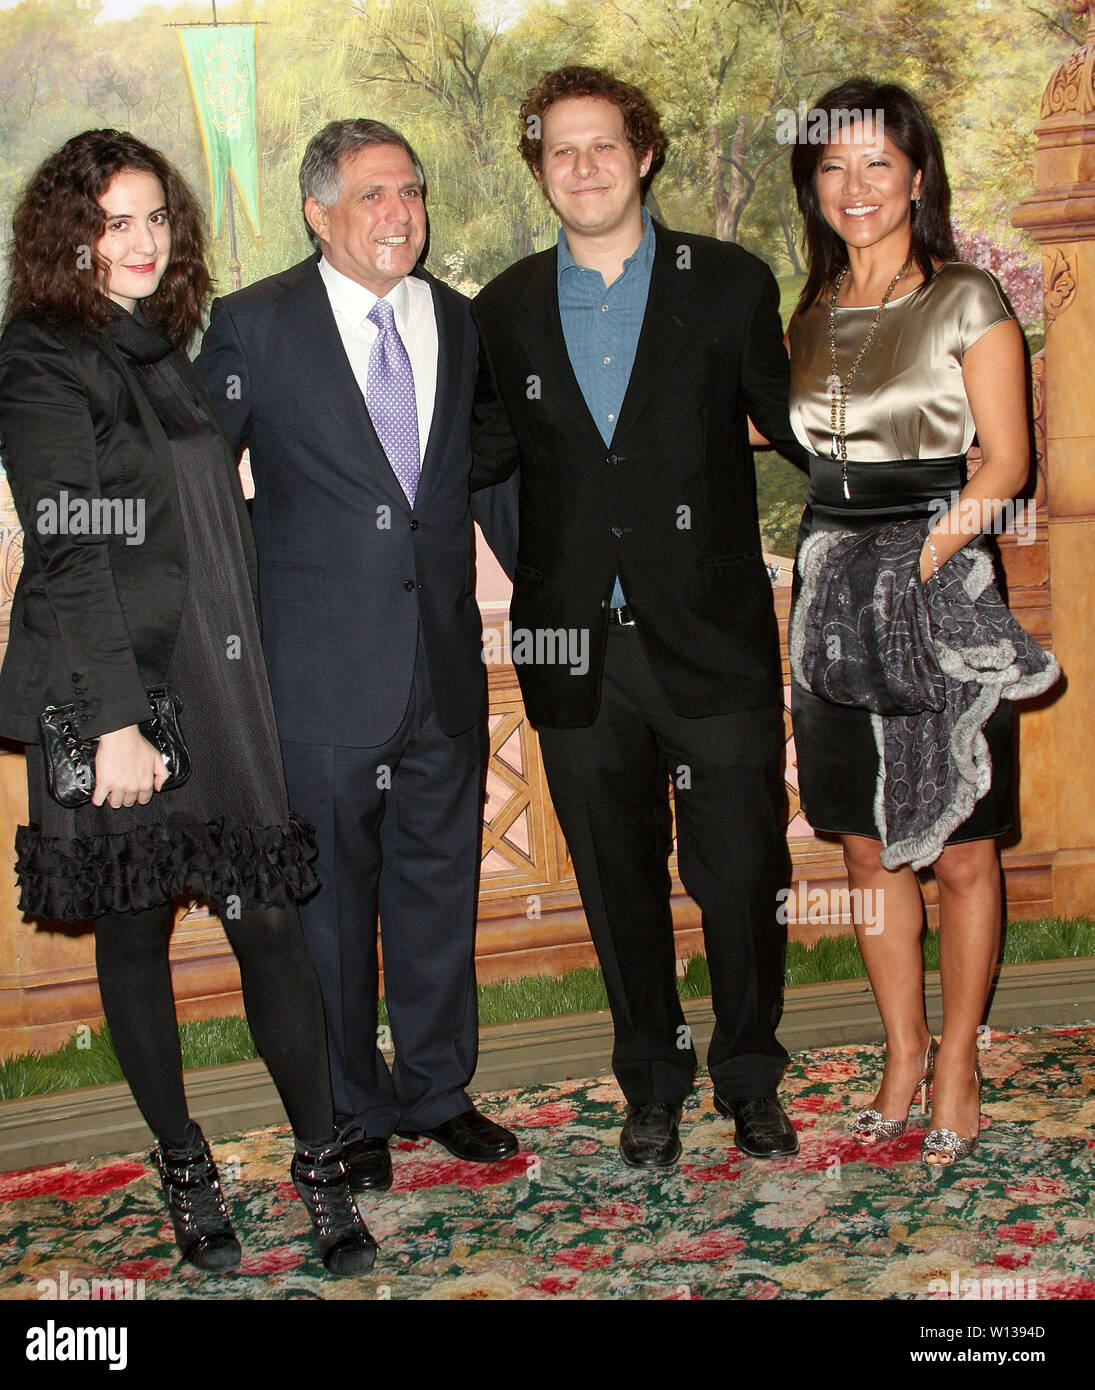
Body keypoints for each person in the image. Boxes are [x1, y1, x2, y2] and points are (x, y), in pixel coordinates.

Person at [0, 129, 376, 1275]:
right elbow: (69, 546)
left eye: (156, 216)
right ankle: (187, 1169)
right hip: (118, 684)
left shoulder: (160, 342)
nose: (144, 239)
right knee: (134, 930)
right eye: (115, 221)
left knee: (268, 923)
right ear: (68, 234)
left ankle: (319, 1159)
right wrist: (115, 720)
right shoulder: (43, 354)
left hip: (217, 678)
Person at [470, 67, 802, 1168]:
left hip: (714, 645)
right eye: (559, 151)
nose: (583, 167)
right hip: (574, 653)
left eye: (602, 145)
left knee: (744, 873)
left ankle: (749, 1075)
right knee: (618, 887)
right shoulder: (503, 309)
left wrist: (927, 478)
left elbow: (794, 427)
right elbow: (473, 461)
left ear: (643, 152)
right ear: (539, 169)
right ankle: (651, 1082)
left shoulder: (731, 283)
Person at [196, 120, 520, 1191]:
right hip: (316, 678)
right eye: (375, 194)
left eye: (412, 193)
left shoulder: (461, 321)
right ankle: (352, 1104)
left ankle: (437, 1088)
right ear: (318, 209)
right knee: (331, 904)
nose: (400, 215)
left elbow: (481, 477)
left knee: (438, 888)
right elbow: (203, 496)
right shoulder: (252, 326)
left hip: (441, 670)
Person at [786, 79, 1034, 1167]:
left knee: (965, 848)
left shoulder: (970, 297)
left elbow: (1011, 463)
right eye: (834, 167)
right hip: (830, 592)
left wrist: (920, 564)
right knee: (866, 842)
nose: (856, 186)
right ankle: (900, 1050)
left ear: (917, 175)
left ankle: (963, 1055)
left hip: (937, 582)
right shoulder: (811, 306)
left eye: (878, 163)